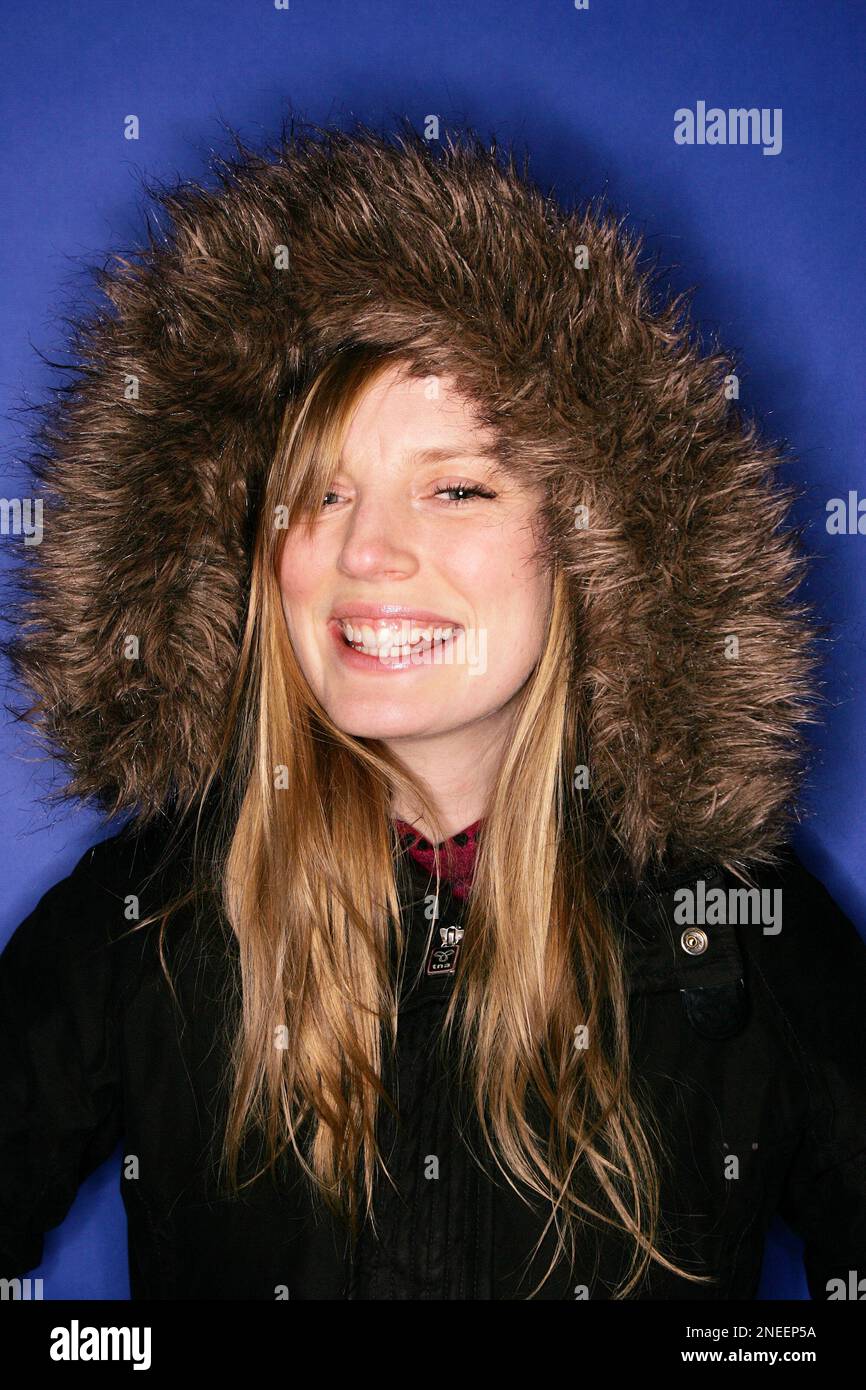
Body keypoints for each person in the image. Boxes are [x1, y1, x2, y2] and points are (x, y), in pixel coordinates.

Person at [1, 121, 865, 1301]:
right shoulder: (141, 926)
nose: (367, 551)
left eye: (455, 487)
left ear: (590, 544)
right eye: (319, 493)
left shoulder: (750, 936)